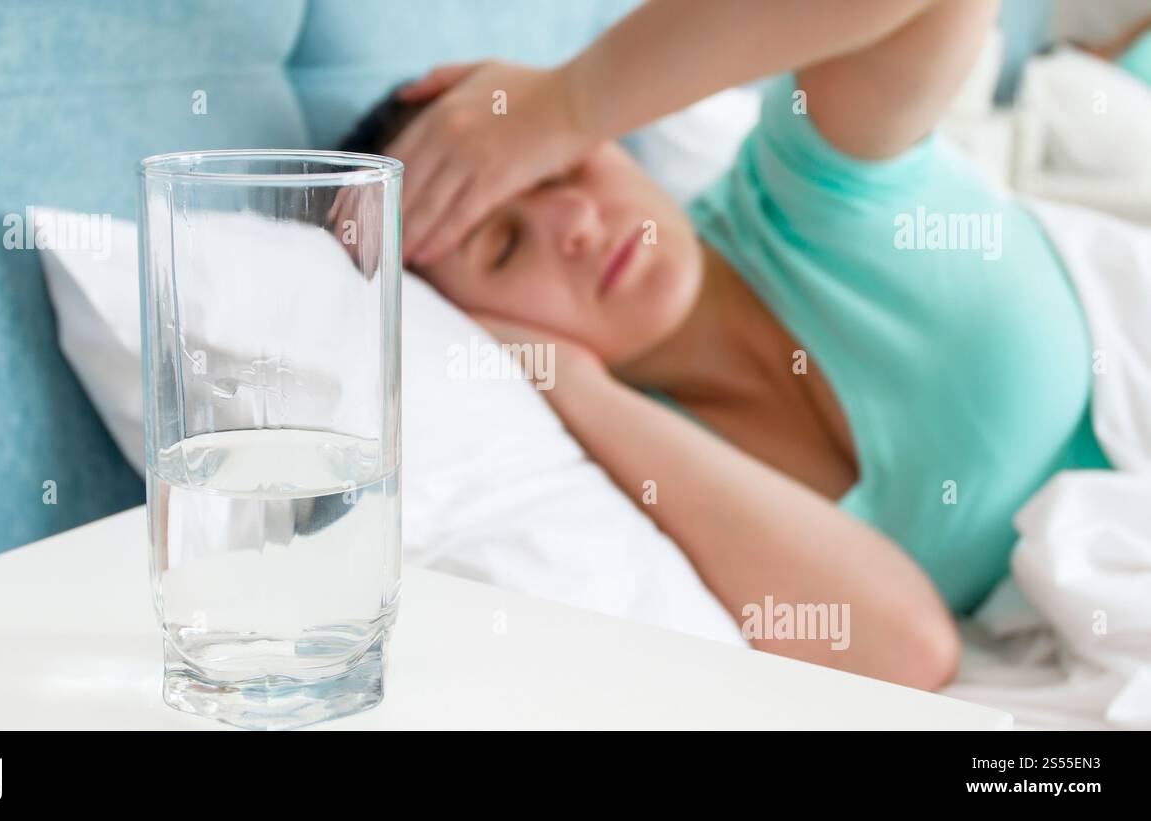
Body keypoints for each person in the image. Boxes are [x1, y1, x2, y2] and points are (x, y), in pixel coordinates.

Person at [342, 0, 1113, 690]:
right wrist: (575, 386)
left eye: (559, 169)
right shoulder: (632, 478)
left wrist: (565, 103)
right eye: (505, 245)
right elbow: (906, 648)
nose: (574, 221)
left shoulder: (811, 179)